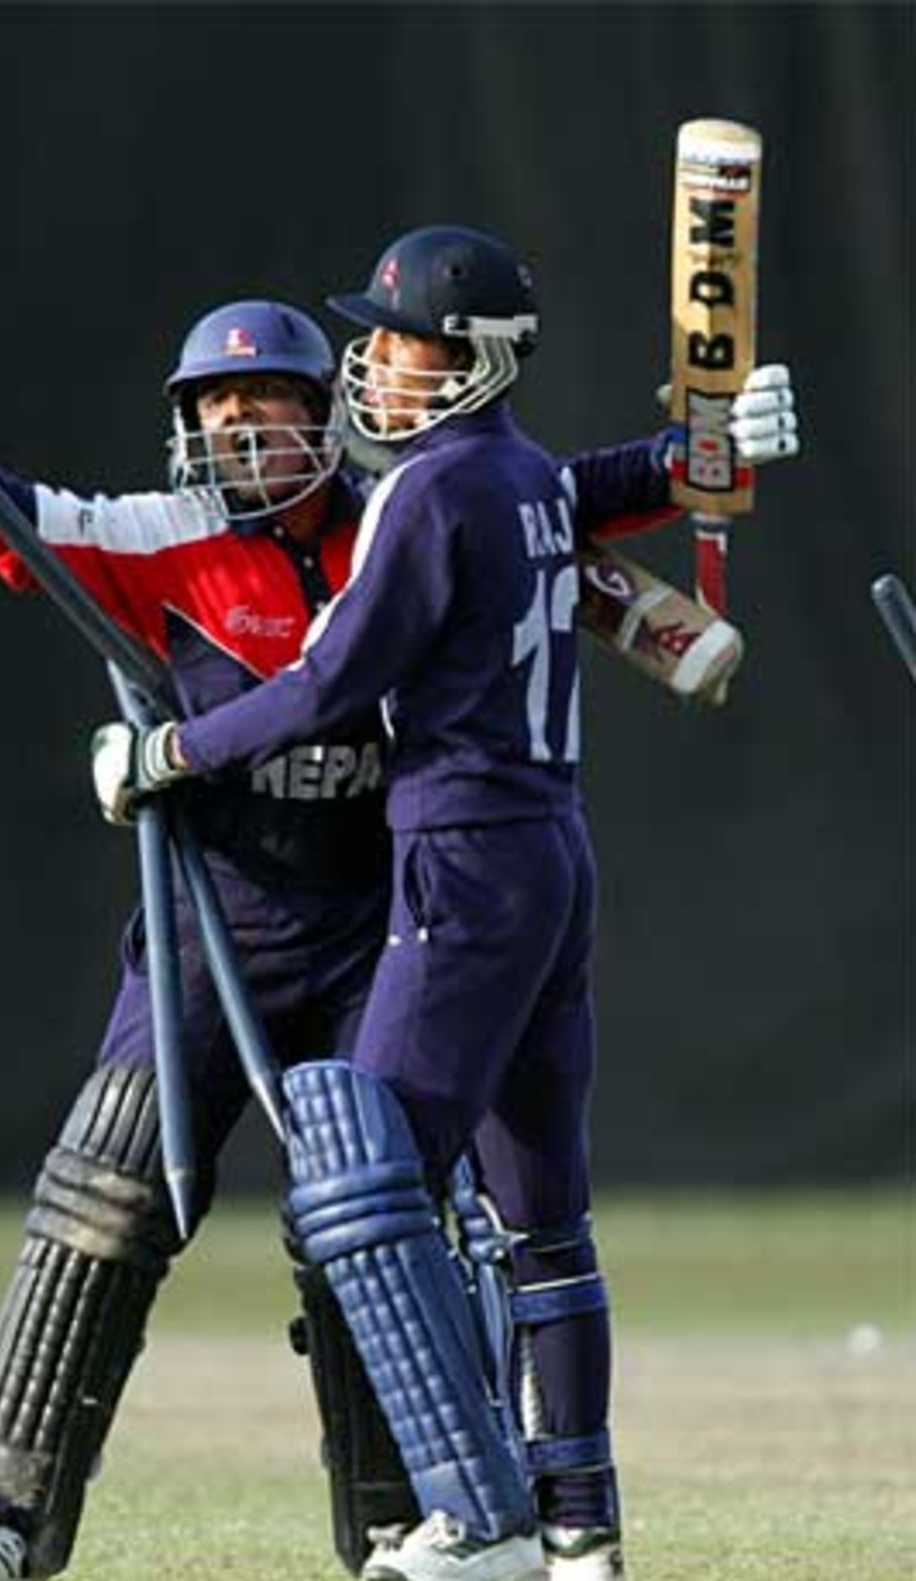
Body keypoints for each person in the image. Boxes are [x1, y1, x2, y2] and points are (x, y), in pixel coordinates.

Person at [91, 224, 799, 1581]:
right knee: (545, 1218)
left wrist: (171, 752)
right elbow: (587, 486)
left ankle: (478, 1519)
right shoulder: (520, 475)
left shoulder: (424, 492)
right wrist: (696, 456)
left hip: (459, 853)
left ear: (471, 361)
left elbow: (325, 686)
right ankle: (583, 1526)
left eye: (404, 341)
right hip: (554, 851)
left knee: (375, 1188)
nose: (375, 361)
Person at [0, 299, 421, 1581]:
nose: (241, 429)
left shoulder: (404, 526)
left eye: (269, 406)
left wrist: (696, 463)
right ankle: (1, 1527)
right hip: (214, 928)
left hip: (377, 932)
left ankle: (410, 1531)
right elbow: (12, 516)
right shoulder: (166, 536)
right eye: (216, 410)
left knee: (369, 1220)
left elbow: (549, 517)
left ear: (329, 415)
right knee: (103, 1197)